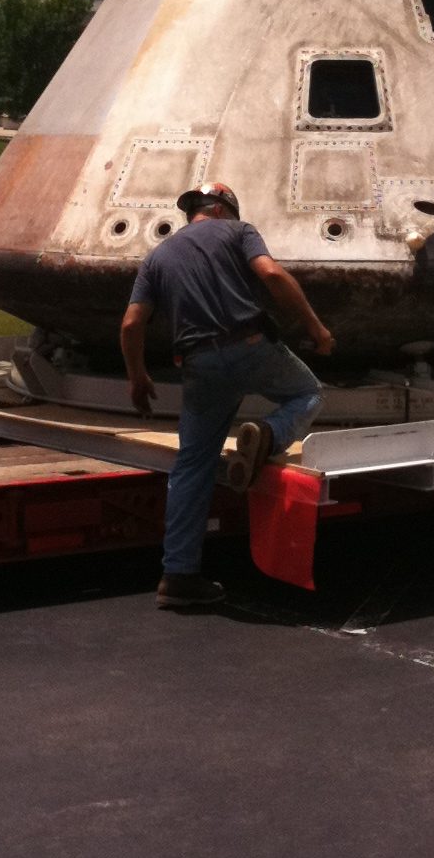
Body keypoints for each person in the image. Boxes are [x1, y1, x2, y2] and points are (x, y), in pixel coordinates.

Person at [120, 182, 334, 610]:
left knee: (192, 465)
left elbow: (130, 323)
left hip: (198, 363)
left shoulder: (158, 257)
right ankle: (268, 435)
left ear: (194, 212)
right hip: (250, 345)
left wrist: (138, 377)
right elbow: (272, 275)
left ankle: (178, 577)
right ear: (222, 210)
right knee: (307, 392)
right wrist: (316, 329)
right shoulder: (239, 231)